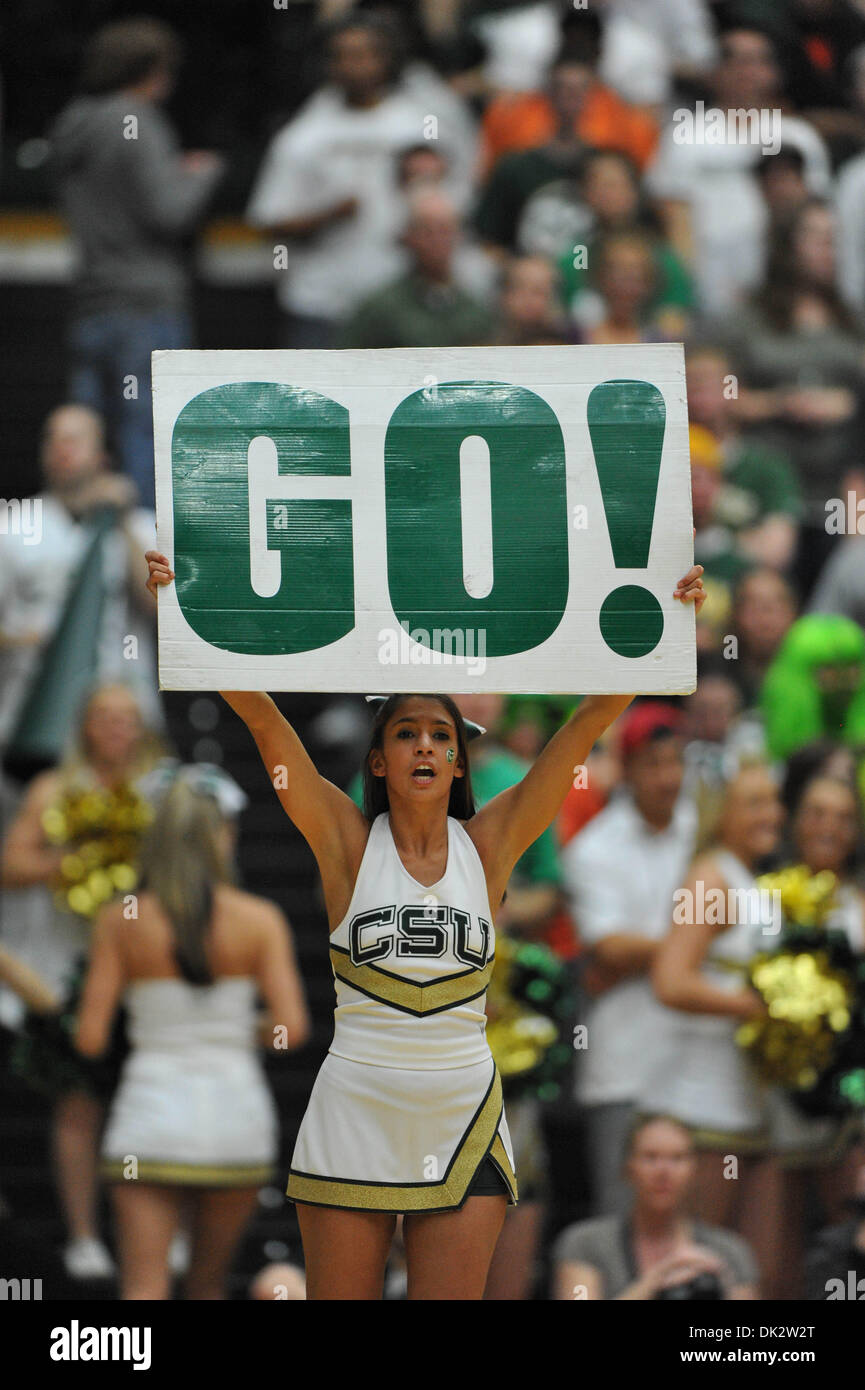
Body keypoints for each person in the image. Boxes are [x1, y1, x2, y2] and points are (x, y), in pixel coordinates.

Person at [143, 547, 706, 1300]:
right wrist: (183, 607)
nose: (428, 747)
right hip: (356, 1106)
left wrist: (667, 619)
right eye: (408, 733)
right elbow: (264, 719)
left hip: (462, 1108)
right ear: (377, 760)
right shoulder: (345, 841)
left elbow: (588, 724)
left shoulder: (491, 846)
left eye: (443, 738)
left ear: (458, 764)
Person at [75, 763, 310, 1300]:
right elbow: (290, 1029)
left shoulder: (122, 919)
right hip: (235, 1122)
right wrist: (232, 1030)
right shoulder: (259, 918)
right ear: (223, 836)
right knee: (207, 1286)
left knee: (143, 1288)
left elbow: (89, 1038)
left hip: (149, 1119)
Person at [0, 683, 164, 1280]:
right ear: (84, 725)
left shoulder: (160, 787)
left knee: (147, 1100)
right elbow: (11, 865)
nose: (116, 729)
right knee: (78, 1101)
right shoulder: (53, 788)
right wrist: (75, 858)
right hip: (71, 968)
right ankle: (84, 1234)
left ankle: (155, 1228)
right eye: (104, 717)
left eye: (127, 718)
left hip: (144, 969)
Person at [47, 18, 223, 508]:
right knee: (148, 433)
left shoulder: (72, 123)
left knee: (84, 435)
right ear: (151, 69)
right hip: (145, 306)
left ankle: (86, 562)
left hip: (89, 304)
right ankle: (146, 567)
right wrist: (201, 174)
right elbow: (169, 212)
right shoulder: (136, 120)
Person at [246, 14, 474, 347]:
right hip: (321, 304)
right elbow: (269, 221)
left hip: (401, 308)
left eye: (363, 55)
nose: (352, 66)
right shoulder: (305, 135)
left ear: (386, 60)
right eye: (341, 56)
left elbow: (456, 202)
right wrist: (328, 215)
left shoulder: (420, 125)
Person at [648, 763, 790, 1298]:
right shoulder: (711, 875)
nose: (770, 813)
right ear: (722, 813)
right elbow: (670, 979)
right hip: (701, 1111)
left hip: (754, 1108)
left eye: (774, 801)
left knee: (759, 1275)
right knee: (697, 1273)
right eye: (753, 802)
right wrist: (757, 1007)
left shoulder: (758, 879)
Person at [561, 702, 699, 1218]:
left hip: (698, 1059)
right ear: (627, 768)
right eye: (653, 763)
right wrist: (693, 946)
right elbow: (606, 948)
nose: (668, 776)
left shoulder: (700, 828)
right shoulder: (594, 848)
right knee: (621, 1217)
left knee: (696, 1222)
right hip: (623, 1064)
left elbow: (623, 952)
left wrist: (646, 954)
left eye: (676, 762)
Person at [0, 405, 160, 777]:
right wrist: (20, 639)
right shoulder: (13, 526)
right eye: (52, 438)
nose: (61, 447)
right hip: (29, 720)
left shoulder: (138, 527)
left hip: (122, 725)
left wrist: (118, 517)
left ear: (103, 455)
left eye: (74, 438)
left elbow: (160, 608)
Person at [551, 1114, 758, 1300]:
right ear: (627, 1168)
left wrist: (724, 1288)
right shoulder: (586, 1243)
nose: (663, 1172)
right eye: (650, 1157)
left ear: (695, 1171)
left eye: (677, 1158)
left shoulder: (728, 1252)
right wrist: (658, 1279)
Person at [340, 186, 493, 348]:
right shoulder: (380, 308)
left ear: (458, 235)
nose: (437, 240)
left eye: (445, 230)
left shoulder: (475, 309)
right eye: (427, 231)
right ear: (408, 237)